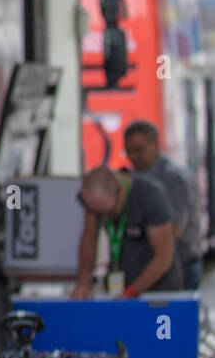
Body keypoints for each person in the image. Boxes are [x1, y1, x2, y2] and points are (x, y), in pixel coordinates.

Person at [70, 165, 182, 298]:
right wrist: (84, 282)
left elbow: (163, 256)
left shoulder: (150, 195)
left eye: (108, 212)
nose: (104, 218)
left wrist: (130, 292)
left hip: (159, 291)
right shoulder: (95, 203)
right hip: (123, 286)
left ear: (121, 192)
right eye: (97, 213)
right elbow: (89, 236)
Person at [123, 120, 203, 290]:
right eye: (129, 152)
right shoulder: (134, 178)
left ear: (156, 144)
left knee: (172, 316)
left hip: (181, 267)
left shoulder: (173, 178)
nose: (134, 157)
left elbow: (176, 230)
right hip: (148, 268)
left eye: (139, 150)